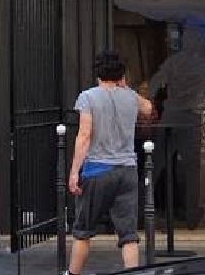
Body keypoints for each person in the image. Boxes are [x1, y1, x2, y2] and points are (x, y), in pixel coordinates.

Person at [64, 53, 153, 275]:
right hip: (127, 169)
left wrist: (74, 171)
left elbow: (84, 135)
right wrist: (126, 87)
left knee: (83, 230)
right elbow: (148, 108)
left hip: (98, 169)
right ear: (122, 74)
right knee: (128, 234)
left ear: (98, 74)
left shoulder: (87, 97)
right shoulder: (130, 97)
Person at [149, 26, 205, 229]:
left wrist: (150, 102)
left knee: (154, 166)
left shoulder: (173, 61)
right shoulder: (201, 65)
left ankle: (141, 212)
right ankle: (192, 217)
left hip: (171, 115)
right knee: (192, 169)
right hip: (190, 118)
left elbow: (155, 83)